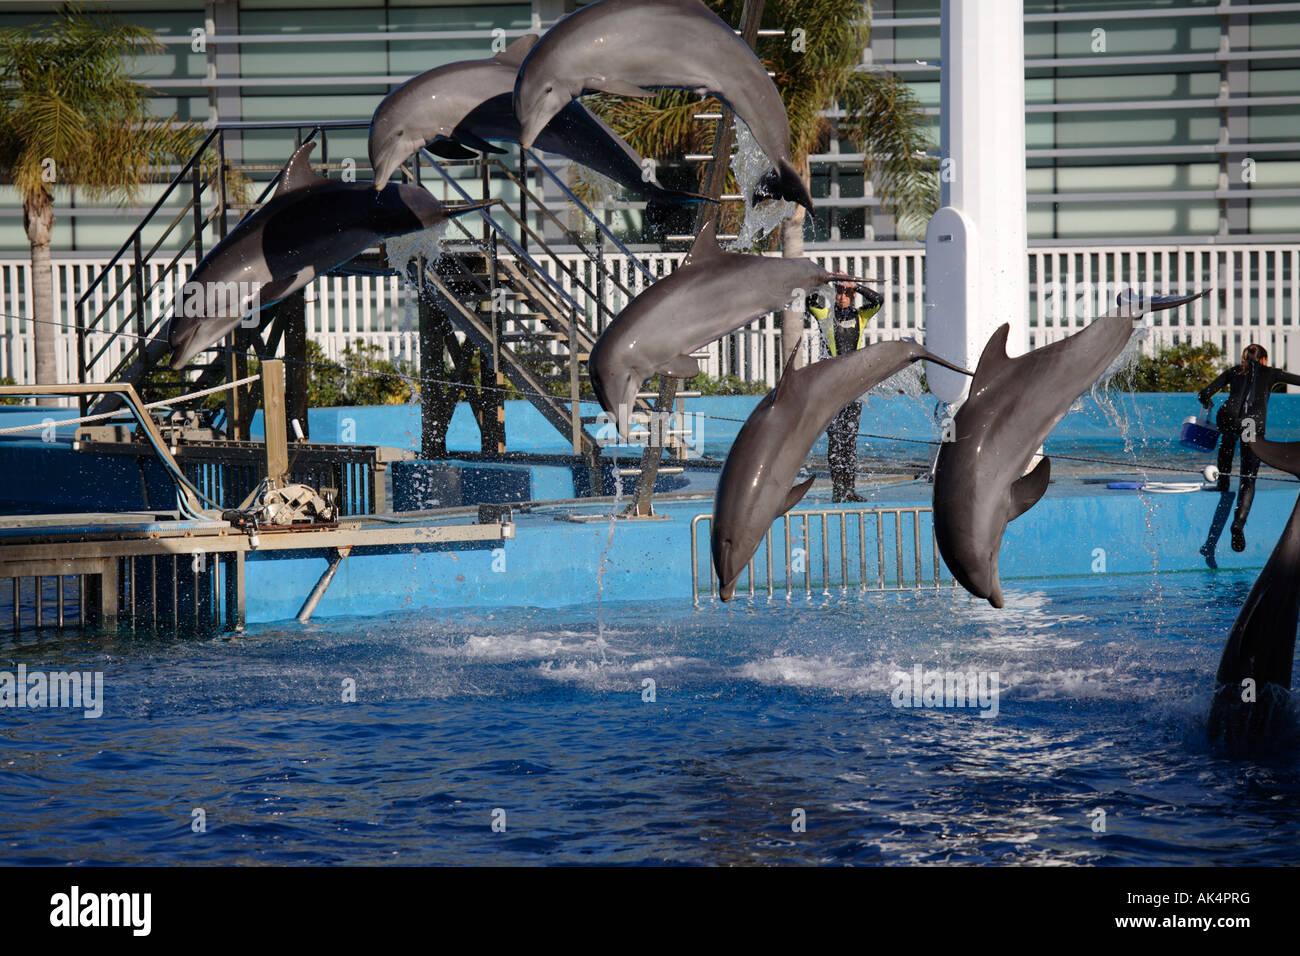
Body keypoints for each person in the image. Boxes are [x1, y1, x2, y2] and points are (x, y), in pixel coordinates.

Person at [1198, 344, 1300, 551]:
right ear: (1263, 359)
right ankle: (1238, 523)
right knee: (1248, 477)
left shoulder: (1235, 370)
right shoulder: (1271, 373)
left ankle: (1223, 483)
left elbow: (1205, 393)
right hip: (1251, 424)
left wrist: (1207, 402)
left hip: (1227, 415)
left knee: (1227, 438)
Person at [808, 279, 884, 502]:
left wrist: (855, 285)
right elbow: (809, 299)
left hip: (853, 387)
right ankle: (837, 490)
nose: (842, 296)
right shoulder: (824, 315)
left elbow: (878, 300)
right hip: (831, 389)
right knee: (836, 440)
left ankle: (849, 489)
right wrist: (826, 282)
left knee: (850, 441)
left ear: (852, 296)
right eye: (839, 293)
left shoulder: (861, 316)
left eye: (846, 293)